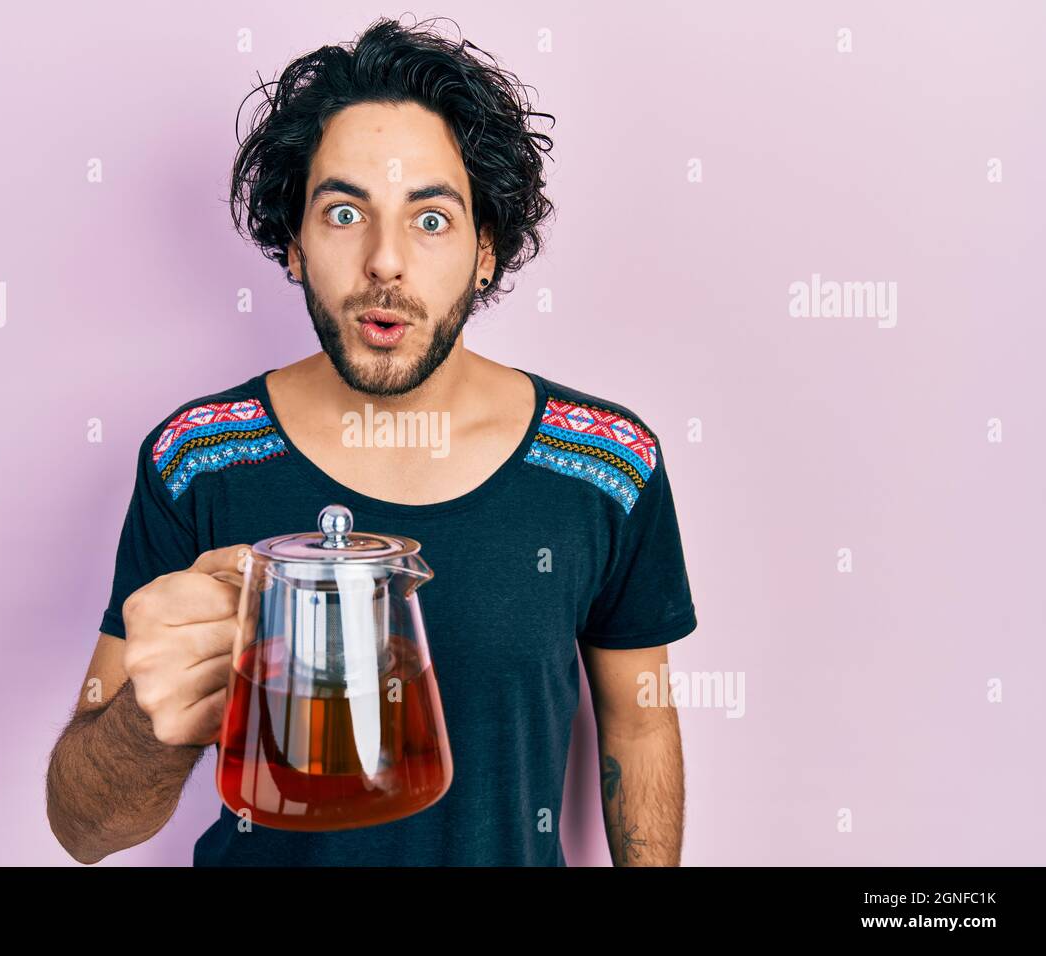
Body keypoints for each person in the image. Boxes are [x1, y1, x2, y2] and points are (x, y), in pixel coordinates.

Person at [45, 15, 698, 867]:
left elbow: (641, 723)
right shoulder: (196, 459)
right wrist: (145, 724)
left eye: (431, 220)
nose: (385, 261)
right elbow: (85, 832)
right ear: (292, 245)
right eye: (345, 212)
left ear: (486, 252)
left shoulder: (607, 463)